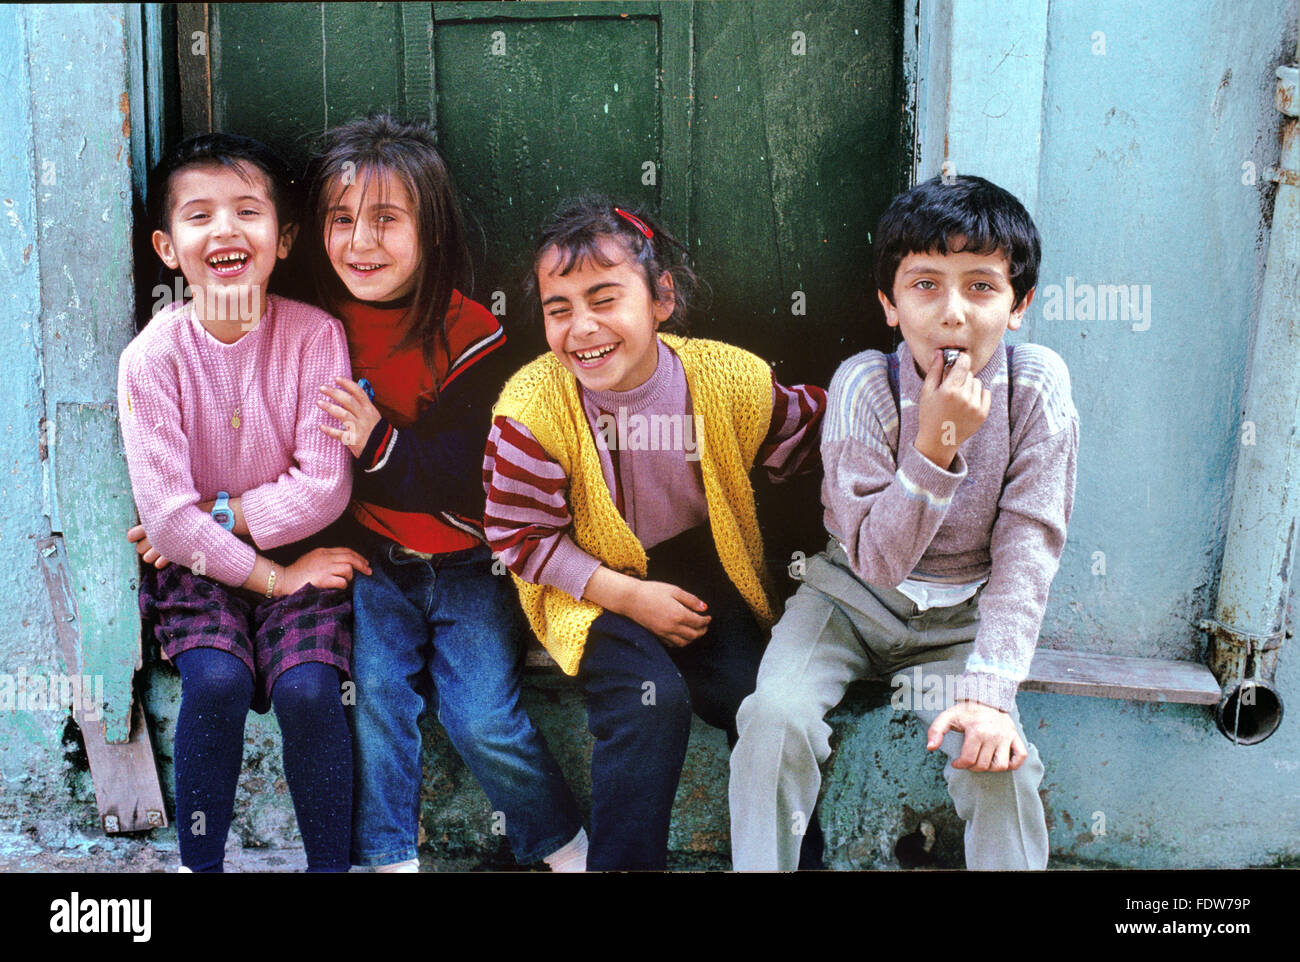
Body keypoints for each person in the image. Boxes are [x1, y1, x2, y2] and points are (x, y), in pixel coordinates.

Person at [728, 173, 1079, 871]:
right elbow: (877, 560)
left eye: (981, 286)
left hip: (963, 621)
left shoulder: (1037, 385)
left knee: (1001, 763)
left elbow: (1028, 550)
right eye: (925, 285)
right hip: (848, 601)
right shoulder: (864, 384)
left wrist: (988, 695)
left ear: (1020, 305)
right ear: (889, 303)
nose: (953, 313)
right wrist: (934, 445)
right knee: (774, 720)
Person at [483, 198, 826, 870]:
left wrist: (908, 415)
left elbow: (812, 434)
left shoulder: (725, 379)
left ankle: (789, 862)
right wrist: (629, 597)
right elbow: (519, 538)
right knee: (651, 703)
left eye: (605, 299)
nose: (582, 328)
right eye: (560, 308)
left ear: (662, 297)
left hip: (702, 568)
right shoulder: (533, 408)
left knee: (759, 703)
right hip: (587, 582)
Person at [304, 114, 586, 873]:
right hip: (374, 564)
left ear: (431, 233)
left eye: (386, 220)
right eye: (340, 220)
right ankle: (391, 857)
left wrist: (378, 443)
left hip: (471, 565)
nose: (360, 243)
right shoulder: (313, 328)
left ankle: (562, 844)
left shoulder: (472, 332)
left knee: (482, 715)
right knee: (376, 702)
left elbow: (472, 469)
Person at [120, 133, 368, 873]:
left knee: (308, 691)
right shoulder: (152, 360)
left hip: (300, 553)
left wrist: (214, 519)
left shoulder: (316, 338)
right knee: (219, 681)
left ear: (284, 237)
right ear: (168, 248)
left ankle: (330, 867)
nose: (225, 231)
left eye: (247, 212)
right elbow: (163, 518)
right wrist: (266, 576)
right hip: (200, 571)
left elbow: (324, 485)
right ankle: (202, 865)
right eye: (199, 216)